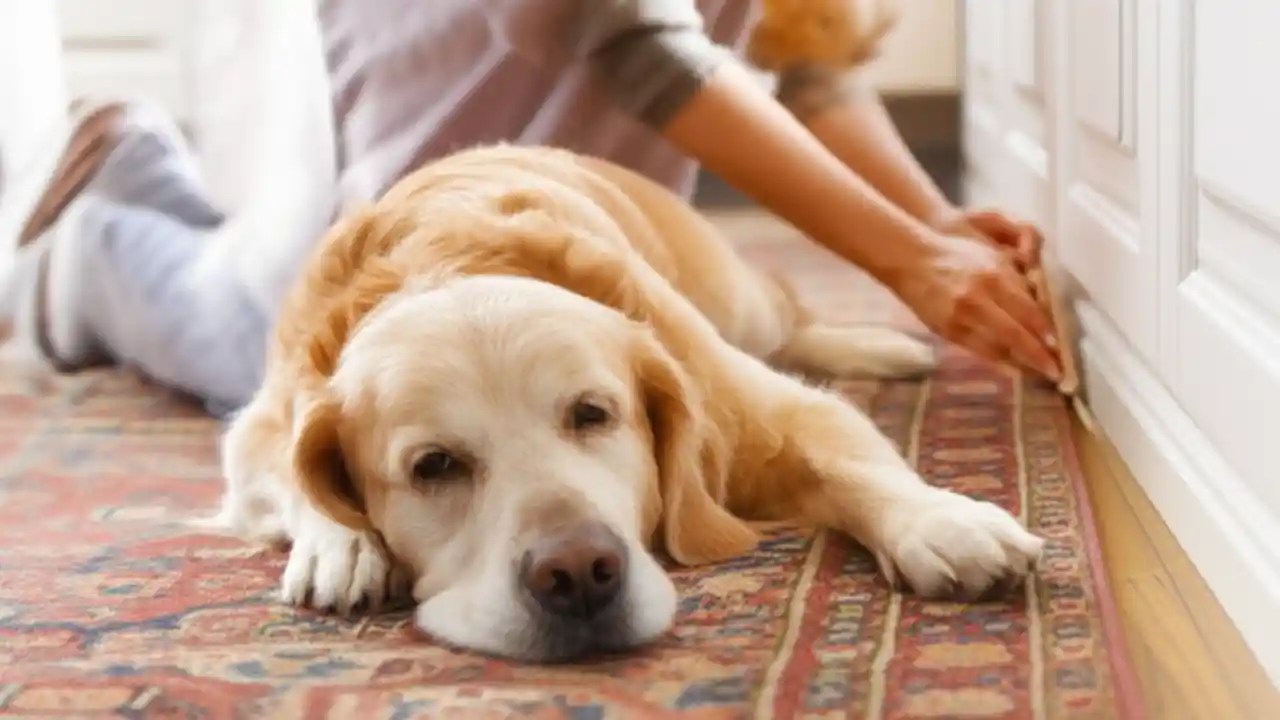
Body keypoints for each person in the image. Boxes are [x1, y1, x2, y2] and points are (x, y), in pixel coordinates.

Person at [0, 0, 1060, 417]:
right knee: (264, 358)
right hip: (401, 208)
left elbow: (811, 56)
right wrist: (907, 262)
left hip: (569, 217)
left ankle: (141, 181)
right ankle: (98, 240)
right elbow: (636, 44)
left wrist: (932, 228)